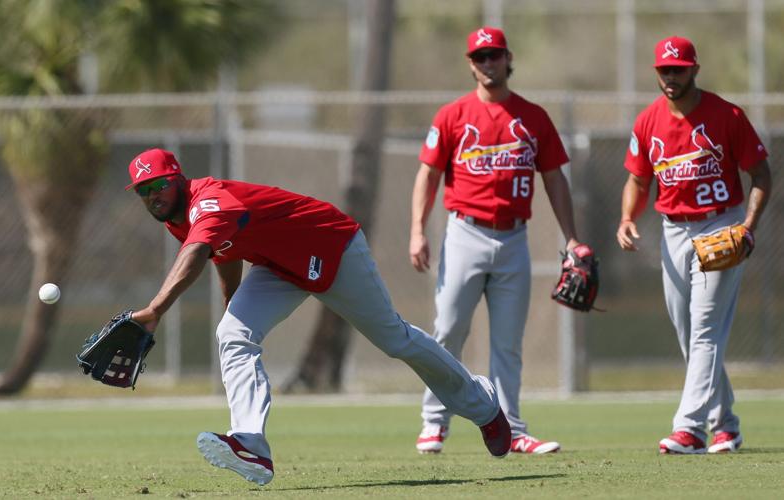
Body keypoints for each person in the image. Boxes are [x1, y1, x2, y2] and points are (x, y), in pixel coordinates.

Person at [124, 148, 514, 486]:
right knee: (232, 332)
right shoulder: (180, 219)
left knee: (396, 340)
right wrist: (233, 303)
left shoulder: (209, 201)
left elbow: (198, 253)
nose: (153, 195)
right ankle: (250, 443)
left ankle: (483, 406)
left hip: (331, 246)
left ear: (178, 178)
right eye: (144, 191)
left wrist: (155, 310)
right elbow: (224, 252)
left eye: (159, 184)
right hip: (278, 266)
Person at [410, 26, 587, 455]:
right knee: (448, 329)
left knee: (507, 342)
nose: (488, 63)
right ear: (471, 64)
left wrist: (573, 239)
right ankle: (435, 421)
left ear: (509, 59)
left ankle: (512, 428)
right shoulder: (452, 115)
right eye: (480, 56)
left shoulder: (532, 116)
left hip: (513, 239)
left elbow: (554, 180)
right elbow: (428, 175)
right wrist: (417, 229)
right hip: (465, 232)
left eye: (495, 55)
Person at [617, 36, 771, 454]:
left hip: (720, 224)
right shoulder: (648, 121)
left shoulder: (726, 115)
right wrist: (628, 217)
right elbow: (637, 178)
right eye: (665, 70)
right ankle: (727, 424)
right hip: (673, 230)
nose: (671, 76)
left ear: (694, 69)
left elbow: (761, 175)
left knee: (705, 328)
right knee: (688, 333)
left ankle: (689, 429)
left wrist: (748, 227)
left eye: (679, 68)